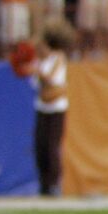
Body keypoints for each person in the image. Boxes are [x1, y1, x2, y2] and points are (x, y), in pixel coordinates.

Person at [31, 23, 73, 196]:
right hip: (42, 106)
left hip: (56, 108)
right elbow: (35, 84)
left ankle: (55, 184)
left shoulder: (58, 58)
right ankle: (44, 183)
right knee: (40, 146)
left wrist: (36, 72)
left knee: (52, 147)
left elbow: (51, 79)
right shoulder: (40, 61)